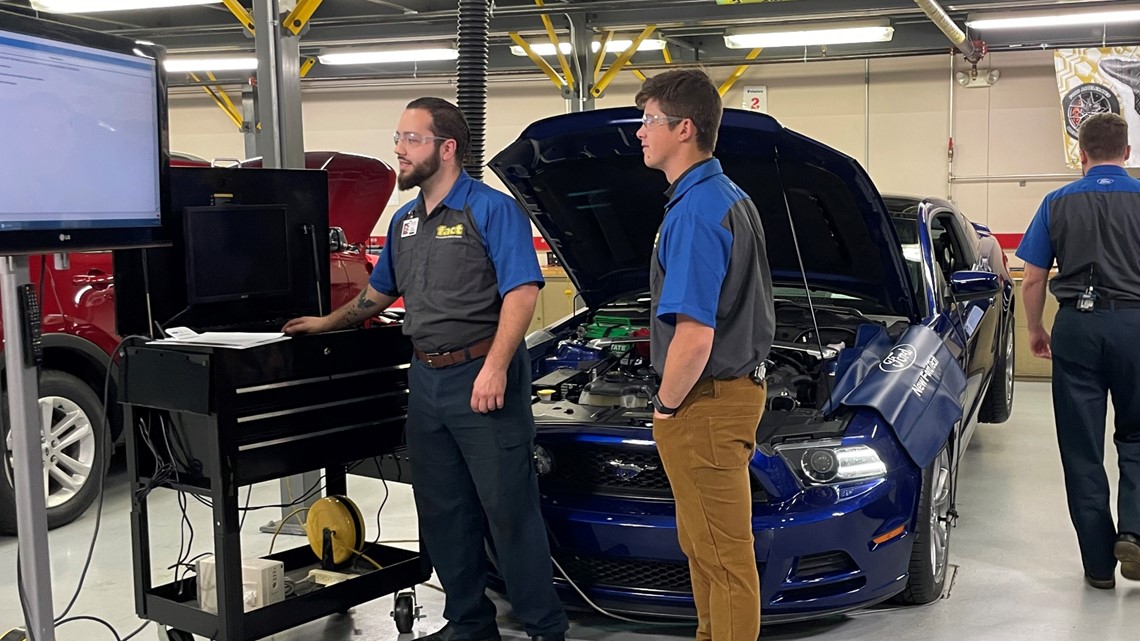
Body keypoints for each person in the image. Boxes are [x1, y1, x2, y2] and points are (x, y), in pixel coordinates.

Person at [283, 97, 568, 641]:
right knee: (443, 514)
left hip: (484, 379)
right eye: (398, 138)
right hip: (427, 383)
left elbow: (522, 293)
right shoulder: (406, 222)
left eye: (411, 139)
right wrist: (327, 323)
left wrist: (496, 369)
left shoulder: (491, 210)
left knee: (509, 514)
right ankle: (467, 624)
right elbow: (378, 292)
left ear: (446, 148)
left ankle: (544, 629)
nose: (398, 149)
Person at [635, 69, 775, 641]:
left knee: (723, 556)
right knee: (704, 546)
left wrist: (666, 407)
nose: (640, 133)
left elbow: (695, 337)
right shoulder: (725, 197)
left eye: (648, 121)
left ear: (684, 128)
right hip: (724, 398)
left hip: (705, 405)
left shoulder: (695, 213)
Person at [1016, 112, 1140, 590]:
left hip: (1076, 328)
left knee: (1081, 446)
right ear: (1127, 153)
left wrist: (1034, 329)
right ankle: (1134, 531)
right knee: (1137, 436)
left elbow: (1032, 278)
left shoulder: (1055, 202)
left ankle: (1097, 565)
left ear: (1081, 155)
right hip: (1136, 324)